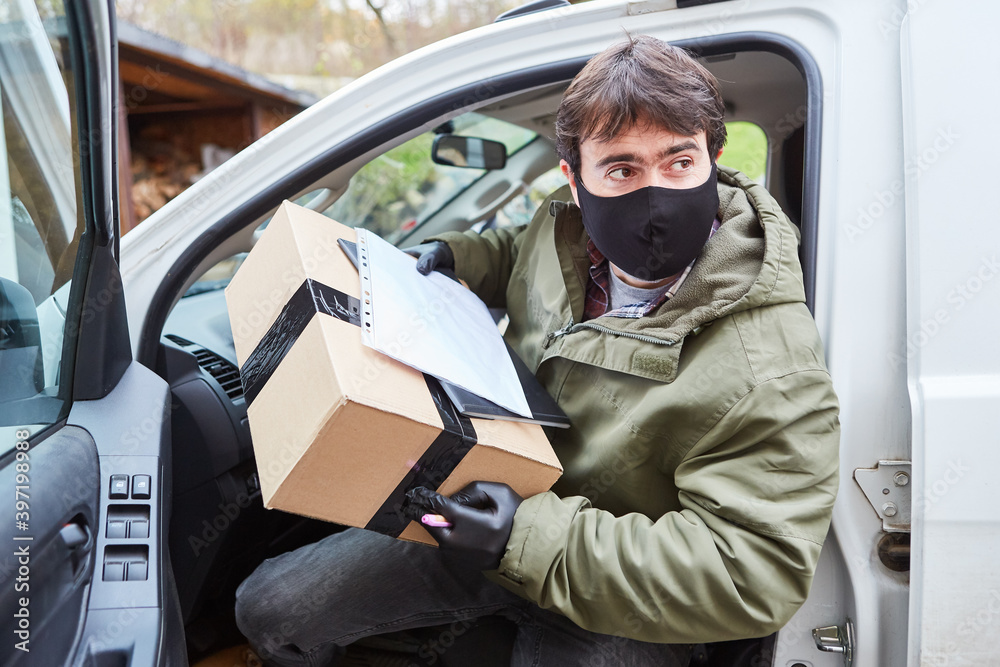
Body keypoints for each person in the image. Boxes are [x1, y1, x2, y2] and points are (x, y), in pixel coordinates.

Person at [234, 34, 840, 667]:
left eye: (678, 162)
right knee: (272, 607)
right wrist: (459, 255)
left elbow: (750, 573)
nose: (655, 194)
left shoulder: (772, 368)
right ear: (575, 182)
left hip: (623, 590)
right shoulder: (566, 228)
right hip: (483, 507)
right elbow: (522, 252)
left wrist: (524, 539)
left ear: (712, 160)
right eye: (622, 169)